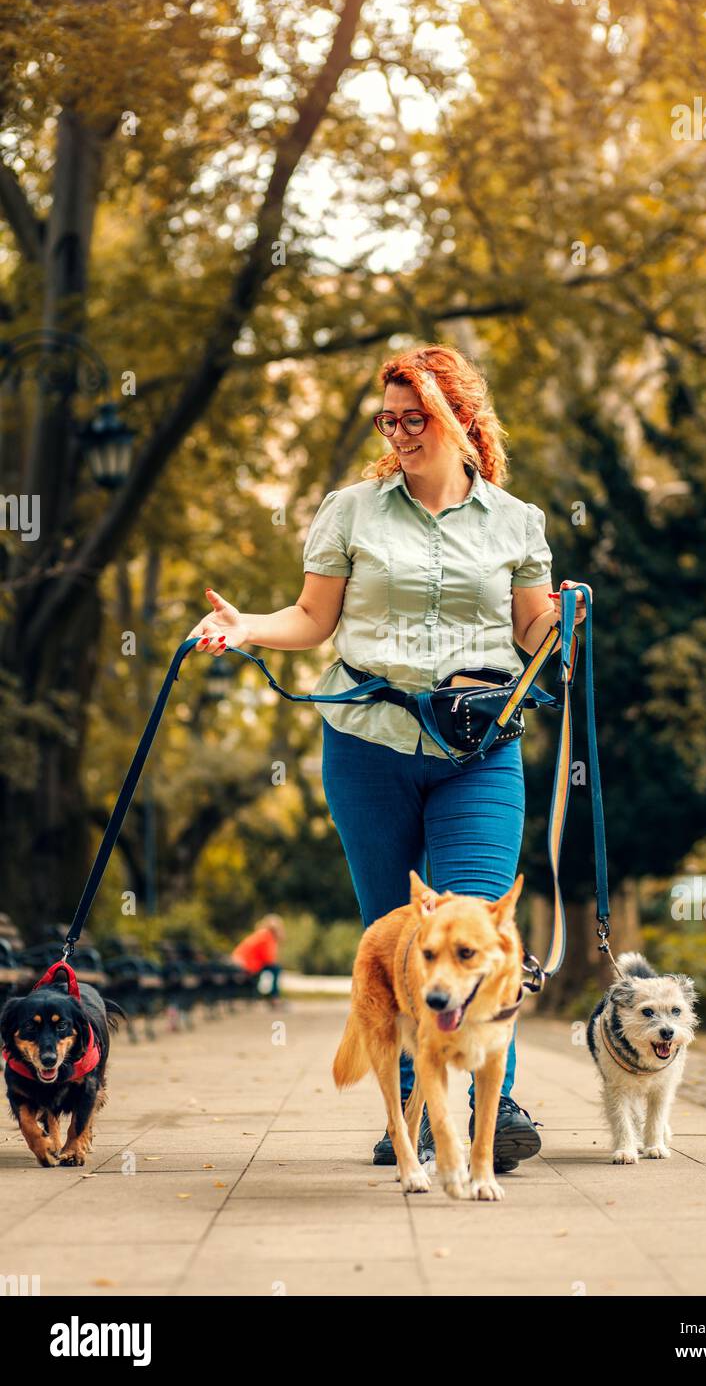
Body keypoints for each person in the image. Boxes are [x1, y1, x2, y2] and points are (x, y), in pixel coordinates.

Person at [189, 343, 588, 1174]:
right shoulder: (352, 511)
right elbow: (311, 617)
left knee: (476, 925)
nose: (402, 433)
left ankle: (492, 1099)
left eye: (417, 417)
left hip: (479, 752)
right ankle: (408, 1106)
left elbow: (527, 633)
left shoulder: (518, 523)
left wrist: (564, 617)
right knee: (399, 936)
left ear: (461, 420)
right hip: (366, 747)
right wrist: (248, 628)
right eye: (391, 418)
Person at [231, 914, 285, 1002]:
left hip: (243, 962)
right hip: (248, 964)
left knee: (273, 969)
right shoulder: (267, 936)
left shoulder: (261, 933)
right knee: (276, 969)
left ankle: (270, 995)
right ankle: (274, 998)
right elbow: (269, 959)